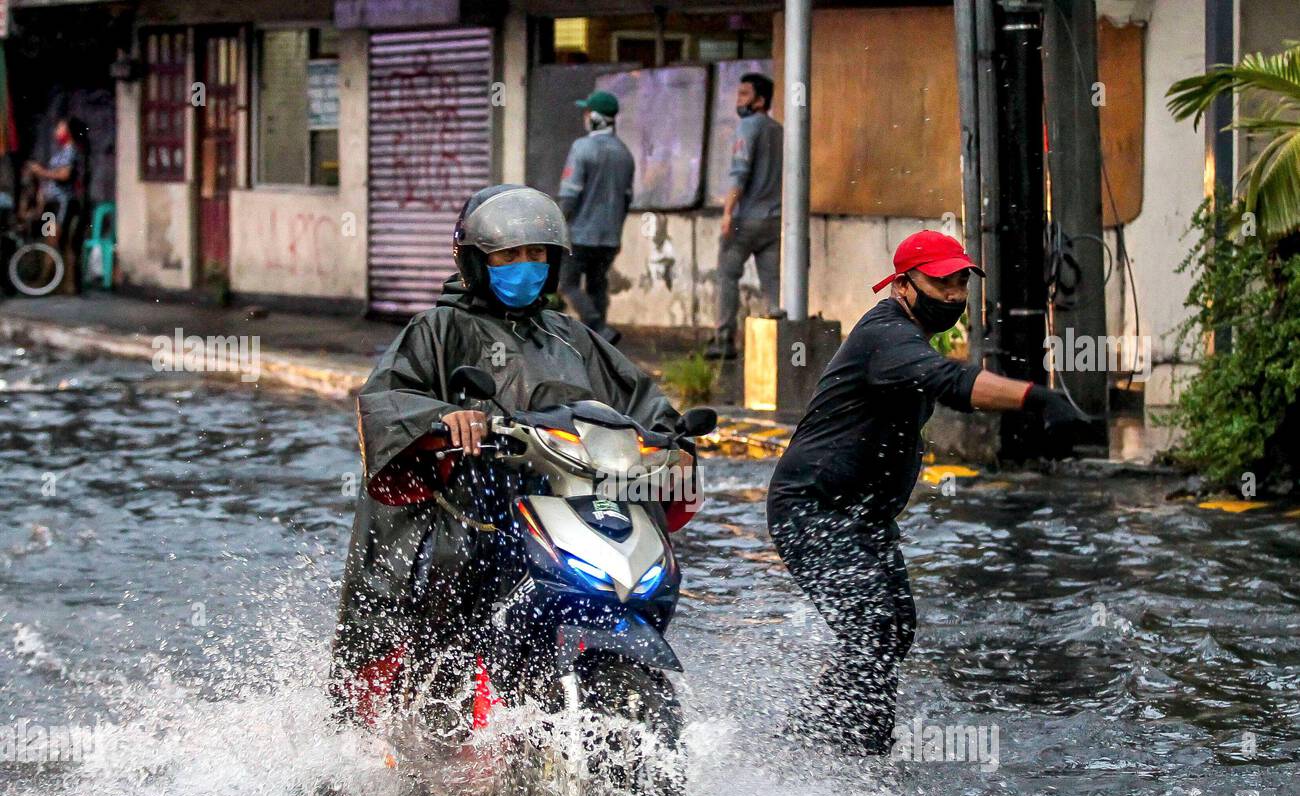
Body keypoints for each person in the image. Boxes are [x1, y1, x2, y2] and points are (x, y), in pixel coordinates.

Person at [331, 184, 693, 722]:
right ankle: (437, 708)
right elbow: (388, 404)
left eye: (536, 255)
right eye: (508, 256)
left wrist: (675, 446)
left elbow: (641, 404)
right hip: (472, 520)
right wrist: (442, 420)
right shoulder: (437, 330)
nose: (524, 266)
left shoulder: (573, 338)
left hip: (567, 508)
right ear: (477, 263)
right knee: (455, 585)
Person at [766, 230, 1090, 755]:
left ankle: (825, 741)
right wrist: (1037, 399)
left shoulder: (908, 334)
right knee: (871, 628)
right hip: (812, 508)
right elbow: (950, 382)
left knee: (893, 626)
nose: (955, 296)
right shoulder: (886, 336)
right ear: (902, 285)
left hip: (862, 516)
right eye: (942, 283)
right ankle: (836, 753)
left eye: (962, 281)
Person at [708, 73, 783, 361]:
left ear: (760, 101)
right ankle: (776, 348)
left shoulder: (747, 128)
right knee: (772, 286)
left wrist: (728, 212)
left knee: (727, 276)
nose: (737, 100)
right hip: (774, 219)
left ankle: (724, 340)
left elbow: (740, 173)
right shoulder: (780, 132)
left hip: (746, 218)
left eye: (744, 95)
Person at [557, 90, 635, 345]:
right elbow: (625, 200)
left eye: (587, 112)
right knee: (597, 286)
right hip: (609, 237)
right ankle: (599, 343)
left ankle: (598, 327)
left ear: (596, 118)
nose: (585, 117)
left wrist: (556, 225)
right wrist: (617, 234)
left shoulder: (582, 148)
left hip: (580, 234)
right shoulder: (625, 154)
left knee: (566, 284)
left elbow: (570, 195)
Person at [22, 116, 89, 292]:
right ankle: (62, 284)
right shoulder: (61, 151)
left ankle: (46, 281)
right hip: (52, 204)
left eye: (60, 128)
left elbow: (64, 175)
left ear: (69, 131)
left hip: (63, 204)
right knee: (54, 240)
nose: (56, 132)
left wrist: (40, 171)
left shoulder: (71, 151)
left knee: (54, 241)